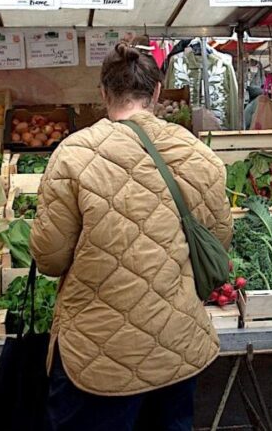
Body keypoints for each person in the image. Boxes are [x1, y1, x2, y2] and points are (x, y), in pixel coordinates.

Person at [30, 42, 233, 430]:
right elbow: (218, 243)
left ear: (103, 92)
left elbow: (50, 260)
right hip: (177, 346)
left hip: (98, 356)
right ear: (156, 91)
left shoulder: (73, 154)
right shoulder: (199, 154)